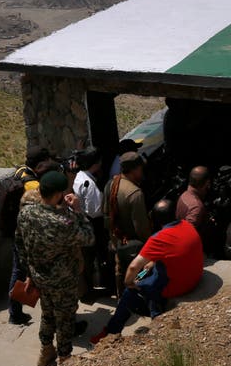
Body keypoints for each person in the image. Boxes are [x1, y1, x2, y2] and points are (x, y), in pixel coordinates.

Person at [90, 199, 204, 343]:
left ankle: (111, 331)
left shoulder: (159, 238)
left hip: (175, 287)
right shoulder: (187, 226)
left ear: (155, 220)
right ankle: (153, 308)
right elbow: (174, 251)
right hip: (193, 278)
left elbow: (133, 266)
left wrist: (128, 283)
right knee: (145, 273)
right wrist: (153, 261)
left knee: (130, 292)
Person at [15, 171, 91, 366]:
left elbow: (21, 245)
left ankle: (45, 351)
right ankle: (64, 358)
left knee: (47, 313)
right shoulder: (63, 221)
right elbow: (89, 237)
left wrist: (29, 273)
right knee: (65, 317)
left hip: (39, 276)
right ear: (58, 194)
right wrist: (78, 210)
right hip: (63, 279)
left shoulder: (25, 213)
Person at [2, 145, 50, 325]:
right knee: (21, 272)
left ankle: (15, 311)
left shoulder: (21, 171)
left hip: (16, 230)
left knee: (18, 270)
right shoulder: (32, 184)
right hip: (24, 234)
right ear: (40, 164)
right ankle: (15, 312)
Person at [103, 151, 152, 297]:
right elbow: (141, 227)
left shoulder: (111, 184)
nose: (142, 171)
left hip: (118, 241)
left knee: (120, 271)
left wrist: (114, 240)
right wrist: (150, 247)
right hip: (134, 246)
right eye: (141, 168)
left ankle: (122, 300)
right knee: (141, 273)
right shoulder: (135, 193)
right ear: (135, 170)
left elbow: (106, 214)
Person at [73, 146, 108, 294]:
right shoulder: (90, 184)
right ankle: (93, 288)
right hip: (93, 224)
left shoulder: (79, 176)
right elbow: (95, 211)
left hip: (82, 221)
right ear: (95, 164)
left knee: (87, 258)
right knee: (95, 255)